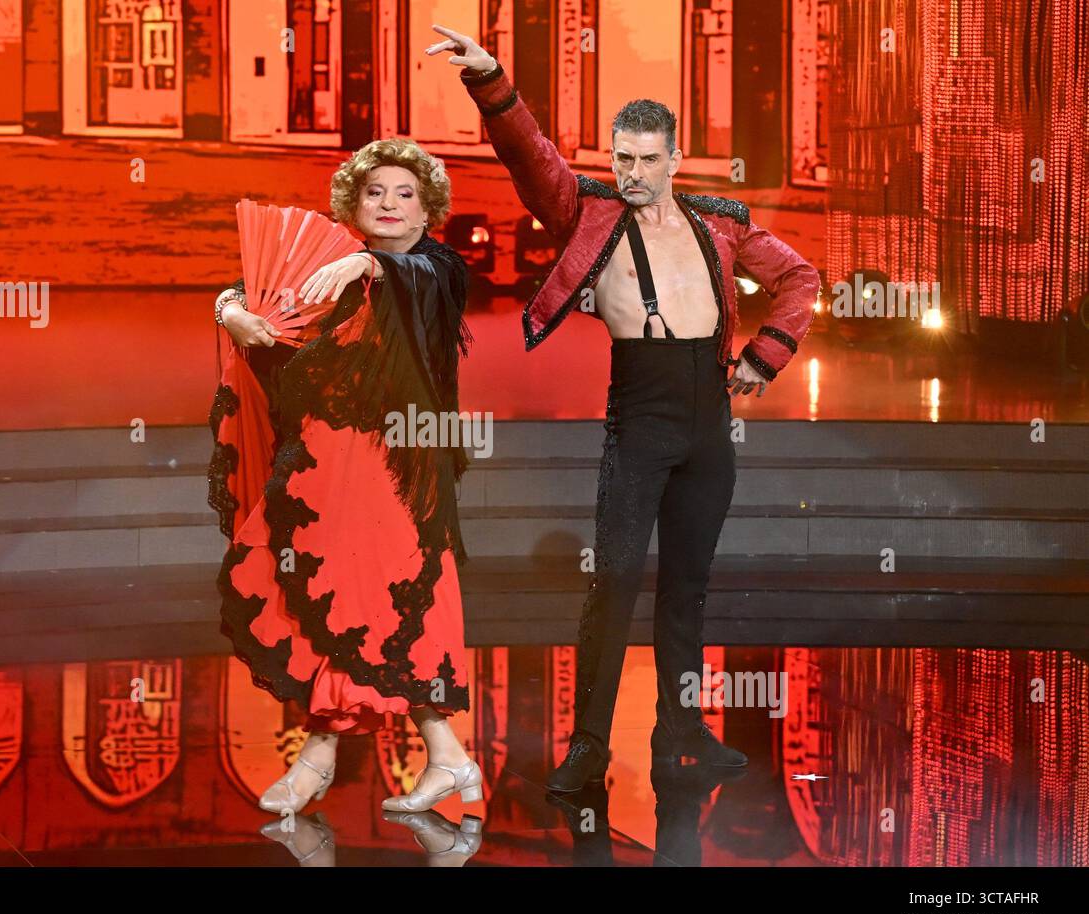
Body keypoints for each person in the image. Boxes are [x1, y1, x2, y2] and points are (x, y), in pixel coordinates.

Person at [428, 26, 820, 790]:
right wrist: (492, 83)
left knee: (687, 586)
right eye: (622, 158)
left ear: (674, 158)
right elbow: (531, 158)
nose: (633, 172)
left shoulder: (721, 222)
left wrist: (764, 356)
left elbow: (800, 279)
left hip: (709, 419)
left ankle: (682, 728)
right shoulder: (590, 215)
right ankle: (589, 744)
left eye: (647, 159)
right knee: (612, 583)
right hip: (638, 414)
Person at [209, 138, 485, 814]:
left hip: (393, 466)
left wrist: (366, 263)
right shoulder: (321, 267)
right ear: (353, 202)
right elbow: (255, 299)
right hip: (318, 464)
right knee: (318, 593)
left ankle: (339, 757)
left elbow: (424, 282)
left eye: (405, 194)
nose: (389, 203)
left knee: (383, 599)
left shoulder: (436, 268)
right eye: (375, 192)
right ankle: (415, 755)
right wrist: (233, 315)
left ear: (427, 210)